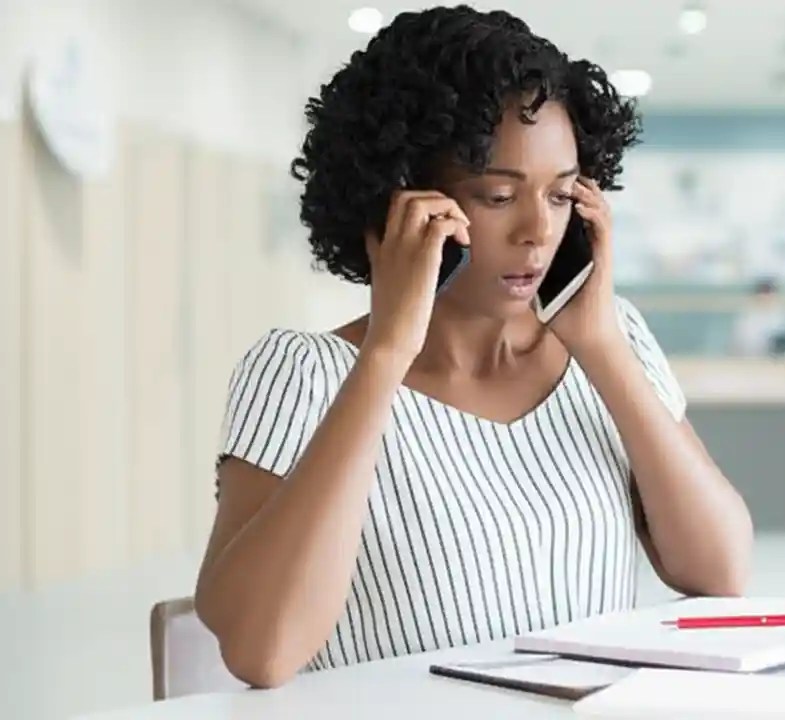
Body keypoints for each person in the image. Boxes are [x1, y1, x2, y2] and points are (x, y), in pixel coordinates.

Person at [194, 6, 753, 688]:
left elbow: (721, 572)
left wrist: (602, 348)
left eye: (559, 196)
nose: (536, 232)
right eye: (497, 196)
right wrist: (387, 353)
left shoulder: (614, 341)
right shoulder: (303, 373)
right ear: (398, 201)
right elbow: (261, 650)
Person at [731, 278, 785, 356]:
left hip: (777, 361)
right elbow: (737, 344)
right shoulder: (747, 316)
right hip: (750, 360)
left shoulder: (782, 316)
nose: (765, 297)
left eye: (768, 292)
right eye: (762, 292)